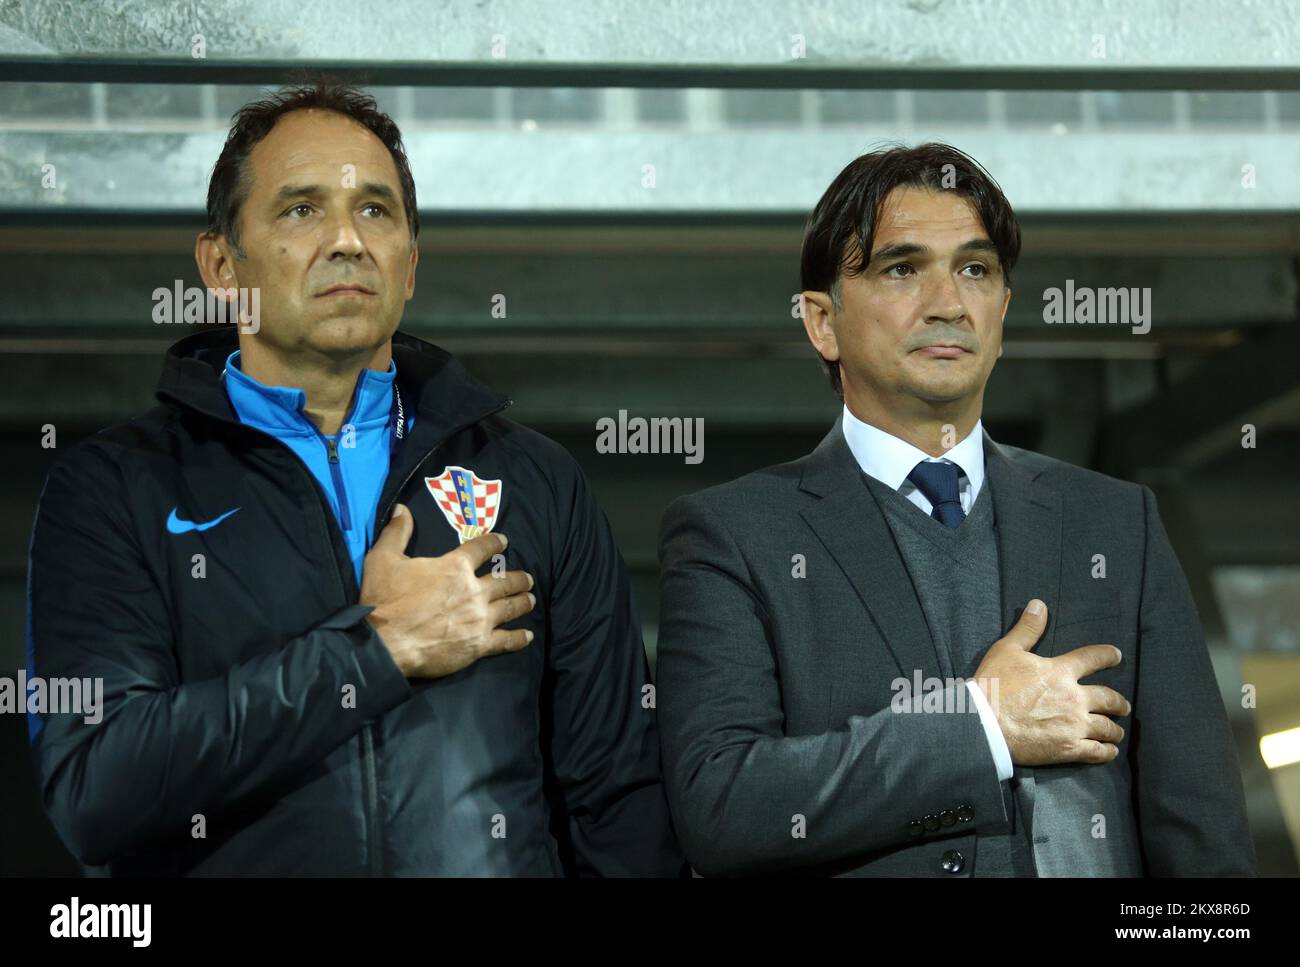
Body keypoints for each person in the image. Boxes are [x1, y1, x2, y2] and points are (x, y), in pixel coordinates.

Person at [26, 82, 684, 876]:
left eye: (376, 211)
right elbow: (96, 788)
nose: (347, 240)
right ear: (220, 264)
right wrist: (372, 651)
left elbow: (619, 800)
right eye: (301, 210)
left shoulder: (533, 477)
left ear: (411, 264)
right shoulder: (113, 489)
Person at [654, 142, 1255, 877]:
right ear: (821, 321)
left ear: (1001, 312)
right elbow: (721, 806)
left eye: (975, 269)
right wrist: (981, 727)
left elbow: (1203, 831)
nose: (947, 302)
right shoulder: (732, 534)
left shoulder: (1117, 521)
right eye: (901, 268)